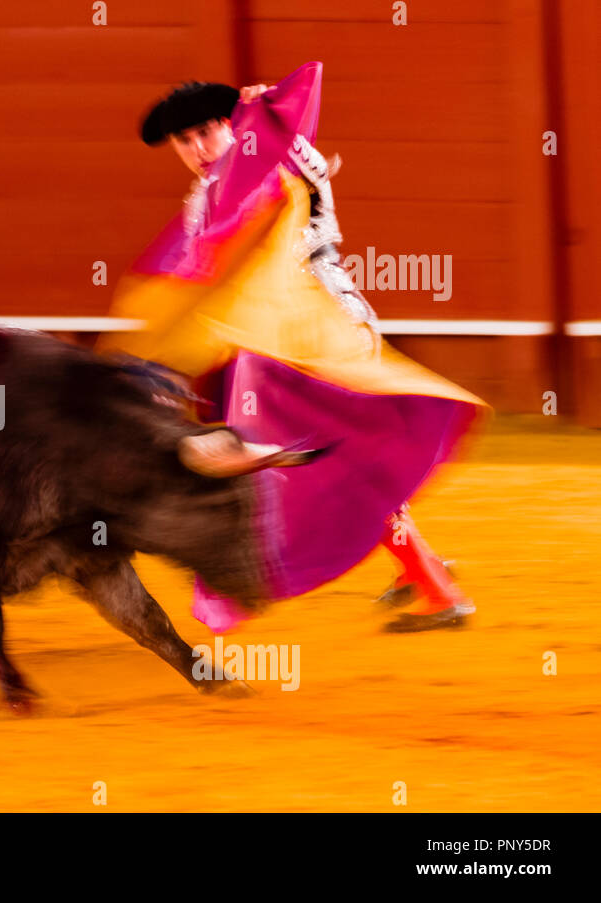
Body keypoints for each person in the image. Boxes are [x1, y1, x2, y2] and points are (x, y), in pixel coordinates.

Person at [102, 62, 486, 633]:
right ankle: (419, 571)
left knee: (333, 460)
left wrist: (266, 115)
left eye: (207, 131)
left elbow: (297, 148)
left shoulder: (273, 156)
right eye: (184, 140)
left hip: (315, 329)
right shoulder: (203, 199)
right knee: (328, 461)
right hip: (265, 345)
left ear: (231, 125)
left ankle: (436, 586)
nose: (198, 147)